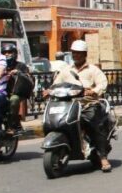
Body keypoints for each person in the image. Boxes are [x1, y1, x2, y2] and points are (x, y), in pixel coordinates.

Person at [48, 40, 112, 172]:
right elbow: (56, 84)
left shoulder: (93, 70)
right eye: (74, 53)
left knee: (94, 123)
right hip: (69, 104)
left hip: (88, 103)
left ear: (85, 54)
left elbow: (102, 83)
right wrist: (48, 91)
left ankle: (103, 156)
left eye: (78, 53)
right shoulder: (66, 71)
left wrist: (93, 91)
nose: (76, 55)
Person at [1, 43, 32, 134]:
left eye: (9, 52)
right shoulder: (0, 66)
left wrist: (18, 72)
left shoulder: (21, 65)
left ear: (15, 53)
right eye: (4, 52)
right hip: (1, 92)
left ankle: (12, 123)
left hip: (17, 92)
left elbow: (28, 78)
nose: (7, 54)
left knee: (14, 100)